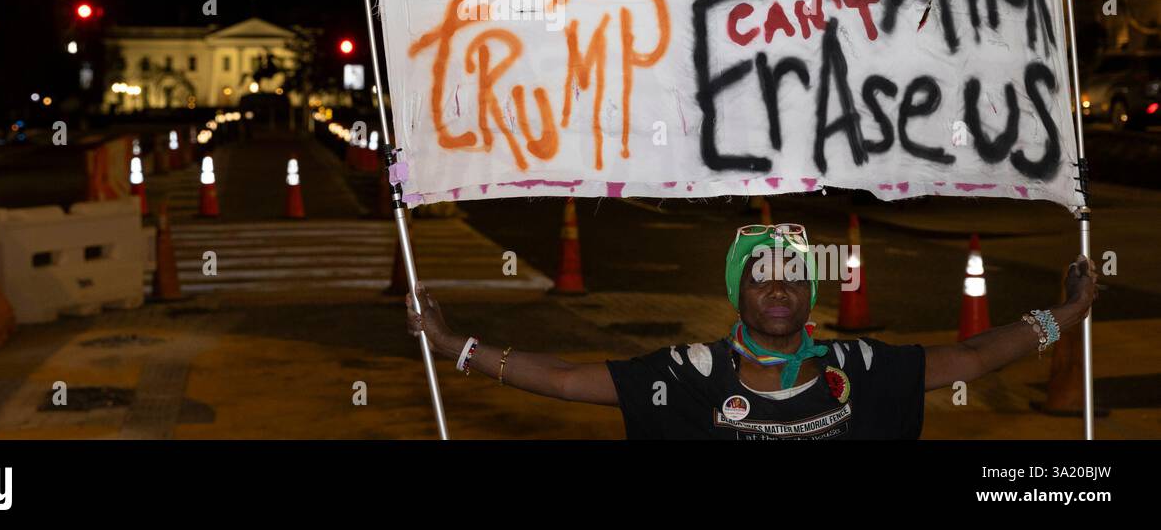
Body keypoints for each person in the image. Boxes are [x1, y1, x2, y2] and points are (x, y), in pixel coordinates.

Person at [404, 222, 1099, 439]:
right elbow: (560, 377)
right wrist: (450, 345)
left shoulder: (856, 363)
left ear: (809, 294)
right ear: (738, 291)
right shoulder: (685, 373)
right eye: (759, 273)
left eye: (793, 276)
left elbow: (974, 355)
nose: (777, 286)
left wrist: (1064, 317)